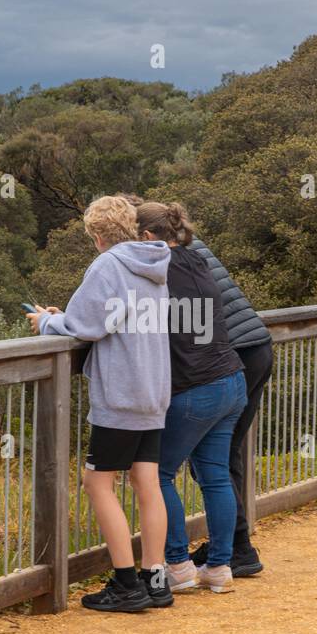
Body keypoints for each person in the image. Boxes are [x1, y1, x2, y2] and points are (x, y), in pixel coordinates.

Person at [27, 195, 173, 612]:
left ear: (96, 235)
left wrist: (47, 323)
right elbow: (110, 316)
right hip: (153, 390)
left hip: (122, 394)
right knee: (147, 483)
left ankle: (127, 584)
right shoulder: (155, 262)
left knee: (98, 483)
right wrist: (67, 315)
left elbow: (86, 326)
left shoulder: (108, 264)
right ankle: (156, 579)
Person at [134, 201, 247, 594]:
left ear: (147, 237)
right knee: (215, 475)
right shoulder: (198, 258)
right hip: (231, 380)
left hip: (195, 387)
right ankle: (219, 568)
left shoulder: (157, 269)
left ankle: (179, 564)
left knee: (157, 473)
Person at [186, 237, 272, 576]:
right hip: (257, 346)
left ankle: (235, 546)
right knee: (224, 454)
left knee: (210, 459)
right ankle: (234, 545)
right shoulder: (186, 242)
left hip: (230, 356)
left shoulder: (160, 254)